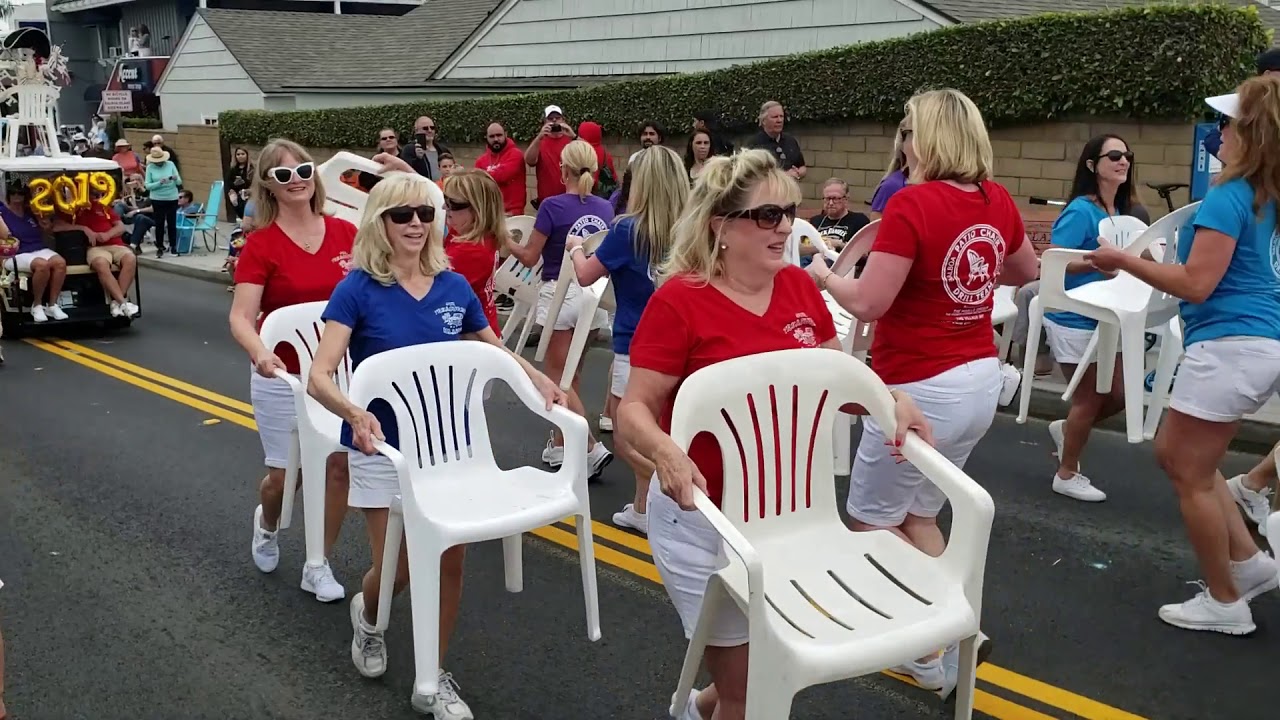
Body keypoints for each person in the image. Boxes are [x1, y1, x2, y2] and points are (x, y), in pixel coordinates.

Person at [618, 148, 932, 720]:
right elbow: (634, 408)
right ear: (721, 226)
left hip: (785, 518)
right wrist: (664, 450)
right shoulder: (680, 303)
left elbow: (840, 382)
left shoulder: (799, 290)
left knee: (758, 671)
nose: (785, 225)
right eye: (767, 216)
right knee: (754, 687)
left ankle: (697, 706)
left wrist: (891, 399)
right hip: (704, 525)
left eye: (788, 211)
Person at [305, 171, 565, 719]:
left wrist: (536, 377)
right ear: (380, 222)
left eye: (427, 212)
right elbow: (320, 375)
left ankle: (434, 675)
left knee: (447, 563)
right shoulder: (357, 288)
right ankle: (369, 615)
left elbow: (491, 349)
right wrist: (353, 411)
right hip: (382, 449)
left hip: (447, 452)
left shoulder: (453, 287)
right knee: (397, 569)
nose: (417, 224)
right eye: (403, 215)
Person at [809, 88, 1040, 694]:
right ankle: (938, 649)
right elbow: (1025, 270)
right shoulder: (997, 199)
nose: (902, 143)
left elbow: (869, 301)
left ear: (929, 137)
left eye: (908, 132)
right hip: (978, 378)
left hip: (919, 383)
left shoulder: (912, 205)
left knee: (868, 520)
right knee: (918, 512)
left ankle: (938, 628)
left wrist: (825, 275)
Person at [1086, 79, 1280, 635]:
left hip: (1228, 346)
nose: (1218, 132)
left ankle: (1225, 601)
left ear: (1249, 132)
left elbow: (1196, 283)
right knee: (1190, 460)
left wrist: (1123, 259)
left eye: (1227, 123)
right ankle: (1248, 565)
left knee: (1182, 464)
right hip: (1258, 343)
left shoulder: (1229, 195)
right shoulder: (1269, 195)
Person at [229, 138, 353, 604]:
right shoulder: (261, 245)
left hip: (338, 375)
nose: (296, 180)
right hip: (284, 377)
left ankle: (317, 563)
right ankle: (266, 523)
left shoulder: (346, 234)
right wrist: (260, 351)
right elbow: (242, 316)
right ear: (269, 185)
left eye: (303, 170)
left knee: (338, 467)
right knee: (287, 479)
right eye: (283, 175)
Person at [565, 146, 689, 535]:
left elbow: (586, 276)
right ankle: (641, 509)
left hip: (636, 344)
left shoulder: (626, 229)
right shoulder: (692, 229)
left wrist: (574, 249)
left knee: (627, 438)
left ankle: (680, 497)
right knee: (662, 429)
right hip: (682, 344)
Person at [1038, 135, 1146, 503]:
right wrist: (1095, 262)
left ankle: (1068, 430)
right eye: (1114, 155)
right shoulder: (1081, 210)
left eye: (1127, 156)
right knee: (1090, 398)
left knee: (1118, 396)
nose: (1123, 161)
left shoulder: (1123, 212)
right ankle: (1066, 473)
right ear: (1091, 164)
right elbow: (1055, 262)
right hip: (1073, 314)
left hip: (1109, 316)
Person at [507, 140, 614, 477]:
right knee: (573, 378)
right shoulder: (605, 208)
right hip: (593, 296)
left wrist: (503, 239)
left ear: (563, 169)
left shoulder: (552, 206)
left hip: (560, 293)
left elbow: (529, 257)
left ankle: (590, 448)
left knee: (557, 381)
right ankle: (560, 444)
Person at [56, 186, 141, 319]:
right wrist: (83, 228)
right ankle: (123, 302)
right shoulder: (73, 209)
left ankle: (116, 302)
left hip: (115, 244)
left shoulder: (104, 207)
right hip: (95, 248)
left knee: (130, 258)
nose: (96, 196)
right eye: (92, 194)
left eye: (98, 194)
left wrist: (107, 234)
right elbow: (56, 226)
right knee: (101, 264)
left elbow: (120, 226)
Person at [443, 169, 505, 333]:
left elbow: (432, 292)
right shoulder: (475, 234)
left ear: (477, 210)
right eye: (445, 200)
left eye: (452, 204)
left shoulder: (471, 250)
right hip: (481, 327)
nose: (444, 207)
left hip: (474, 336)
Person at [1, 185, 67, 322]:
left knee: (60, 263)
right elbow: (5, 235)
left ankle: (52, 304)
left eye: (20, 192)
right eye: (13, 193)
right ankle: (37, 305)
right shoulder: (3, 212)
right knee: (42, 265)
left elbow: (47, 230)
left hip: (37, 248)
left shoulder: (30, 212)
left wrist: (45, 223)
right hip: (16, 253)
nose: (17, 196)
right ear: (8, 195)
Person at [524, 105, 577, 208]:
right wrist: (539, 137)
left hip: (570, 200)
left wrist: (574, 136)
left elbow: (589, 156)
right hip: (547, 202)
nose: (554, 121)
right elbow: (529, 161)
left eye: (557, 118)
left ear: (563, 120)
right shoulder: (540, 142)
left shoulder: (571, 141)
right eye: (550, 119)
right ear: (545, 122)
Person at [473, 122, 526, 216]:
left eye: (499, 135)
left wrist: (482, 175)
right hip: (490, 214)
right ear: (486, 137)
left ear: (505, 134)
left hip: (512, 213)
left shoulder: (516, 154)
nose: (496, 139)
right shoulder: (480, 161)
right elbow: (477, 184)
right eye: (492, 136)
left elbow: (503, 176)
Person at [145, 145, 181, 258]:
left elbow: (179, 182)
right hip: (157, 198)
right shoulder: (150, 168)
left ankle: (173, 246)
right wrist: (159, 183)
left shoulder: (170, 165)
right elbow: (148, 186)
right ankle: (160, 246)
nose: (159, 163)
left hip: (171, 197)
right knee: (159, 223)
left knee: (172, 223)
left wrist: (175, 179)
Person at [226, 147, 254, 221]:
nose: (240, 156)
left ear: (247, 155)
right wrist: (234, 185)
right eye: (238, 154)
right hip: (236, 195)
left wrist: (243, 182)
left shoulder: (251, 169)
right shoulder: (233, 169)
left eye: (242, 154)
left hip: (248, 195)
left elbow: (253, 182)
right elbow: (228, 182)